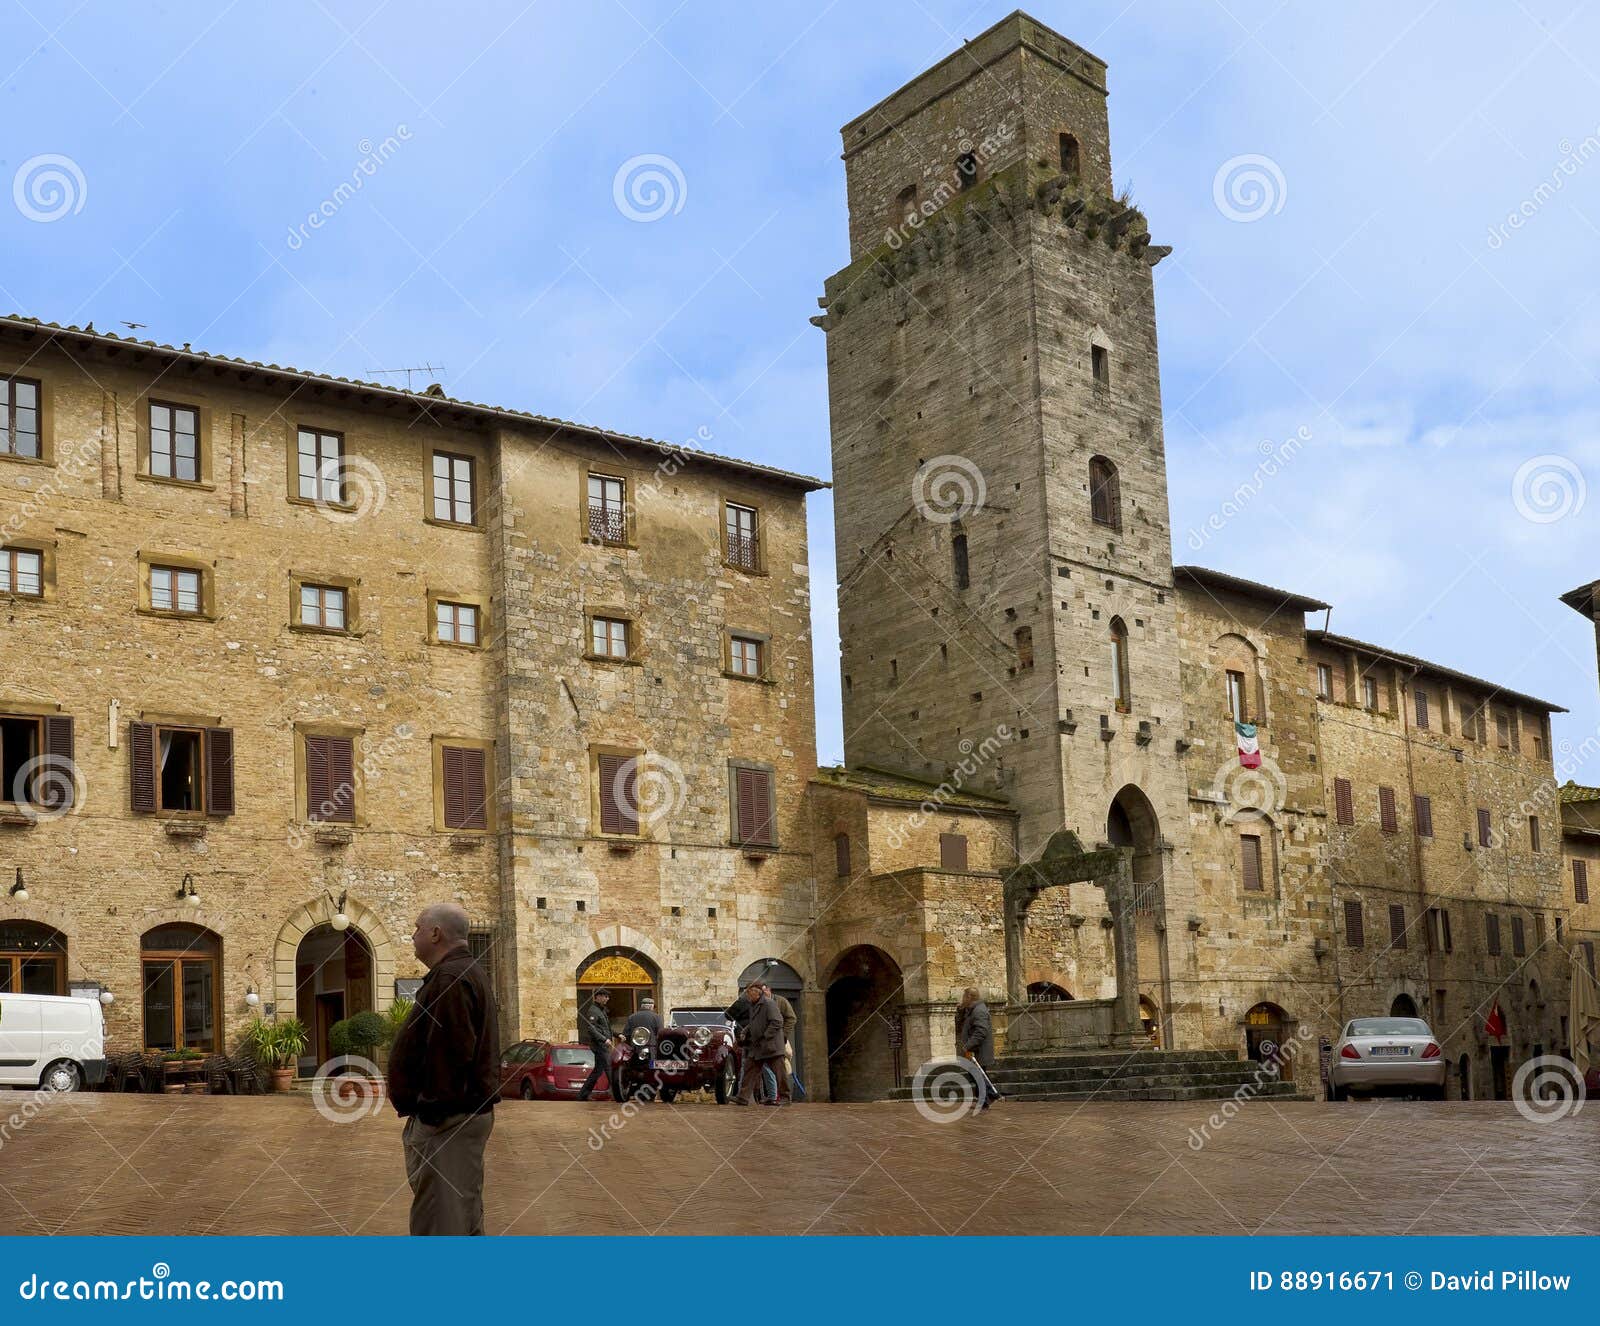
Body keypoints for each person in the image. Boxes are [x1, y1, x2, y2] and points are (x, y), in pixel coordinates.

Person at [387, 903, 500, 1236]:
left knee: (442, 1224)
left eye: (417, 927)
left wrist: (431, 1112)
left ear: (435, 933)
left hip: (449, 1121)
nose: (413, 935)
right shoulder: (459, 973)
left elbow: (452, 1052)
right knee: (459, 1218)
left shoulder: (451, 978)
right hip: (455, 1117)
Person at [735, 981, 790, 1106]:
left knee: (779, 1073)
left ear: (756, 992)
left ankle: (785, 1097)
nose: (747, 995)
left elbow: (777, 1022)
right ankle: (743, 1097)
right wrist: (746, 1031)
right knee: (750, 1070)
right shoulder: (753, 1005)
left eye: (749, 992)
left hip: (771, 1046)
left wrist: (765, 1036)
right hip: (757, 1046)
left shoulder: (769, 1003)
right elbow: (754, 1022)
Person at [956, 986, 1000, 1110]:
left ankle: (988, 1097)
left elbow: (981, 1032)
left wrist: (968, 1046)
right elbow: (959, 1025)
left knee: (978, 1076)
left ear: (969, 997)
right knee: (976, 1076)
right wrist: (960, 1011)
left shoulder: (979, 1011)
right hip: (973, 1051)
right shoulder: (971, 1010)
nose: (962, 999)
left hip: (978, 1051)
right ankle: (987, 1098)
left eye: (964, 997)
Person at [576, 987, 615, 1101]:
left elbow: (606, 1028)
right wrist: (604, 1039)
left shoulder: (601, 1010)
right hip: (599, 1045)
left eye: (607, 997)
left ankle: (582, 1094)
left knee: (597, 1071)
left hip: (603, 1044)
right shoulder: (593, 1010)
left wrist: (618, 1035)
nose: (607, 999)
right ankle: (618, 1093)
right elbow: (591, 1029)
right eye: (604, 996)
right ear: (597, 997)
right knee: (608, 1067)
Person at [761, 982, 797, 1102]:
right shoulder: (759, 1003)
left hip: (778, 1040)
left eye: (764, 991)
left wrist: (784, 1035)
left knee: (779, 1067)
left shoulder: (781, 1001)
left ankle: (782, 1096)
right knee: (764, 1067)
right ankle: (772, 1095)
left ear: (769, 990)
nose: (762, 994)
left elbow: (791, 1018)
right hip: (764, 1041)